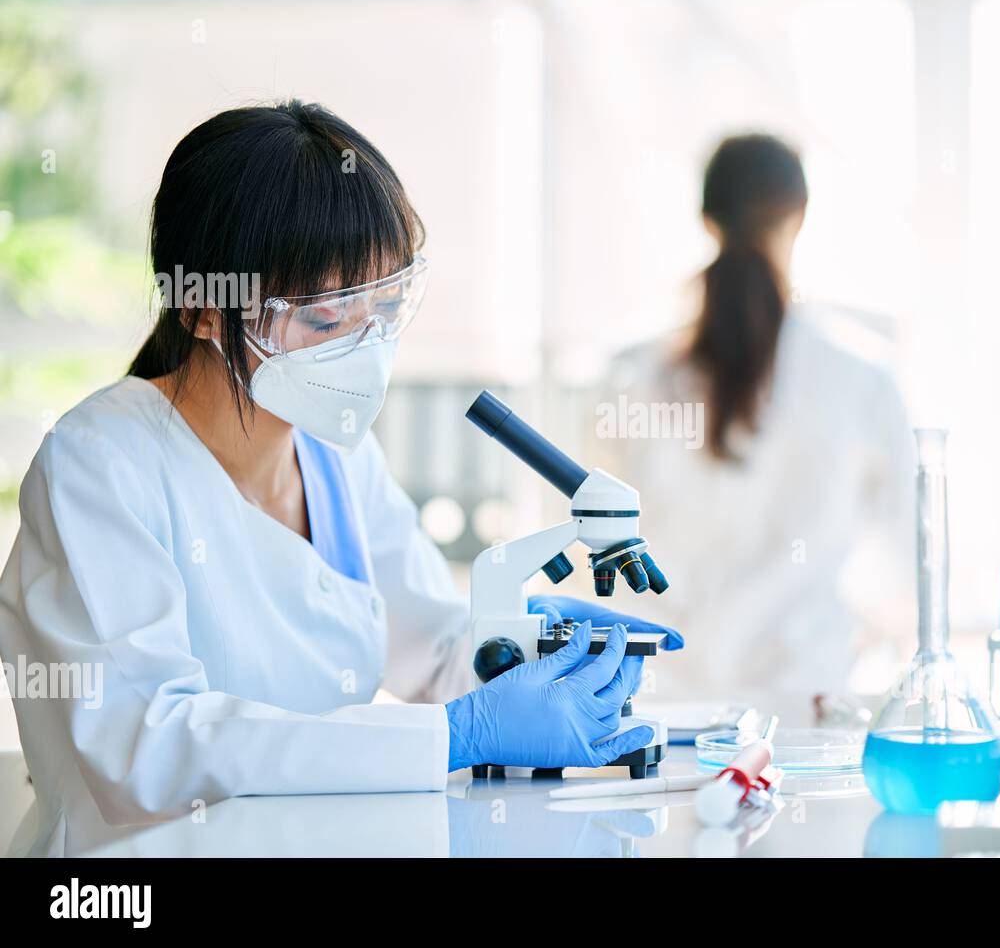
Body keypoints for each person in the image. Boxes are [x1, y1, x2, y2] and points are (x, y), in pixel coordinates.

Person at [0, 101, 679, 857]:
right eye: (325, 319)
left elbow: (435, 649)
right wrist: (454, 737)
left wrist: (532, 644)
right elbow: (149, 747)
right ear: (201, 306)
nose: (365, 346)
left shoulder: (333, 455)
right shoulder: (101, 464)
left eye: (384, 305)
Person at [593, 134, 914, 704]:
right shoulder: (861, 380)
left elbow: (585, 549)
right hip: (803, 703)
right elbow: (903, 561)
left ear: (706, 219)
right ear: (801, 214)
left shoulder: (628, 377)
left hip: (656, 709)